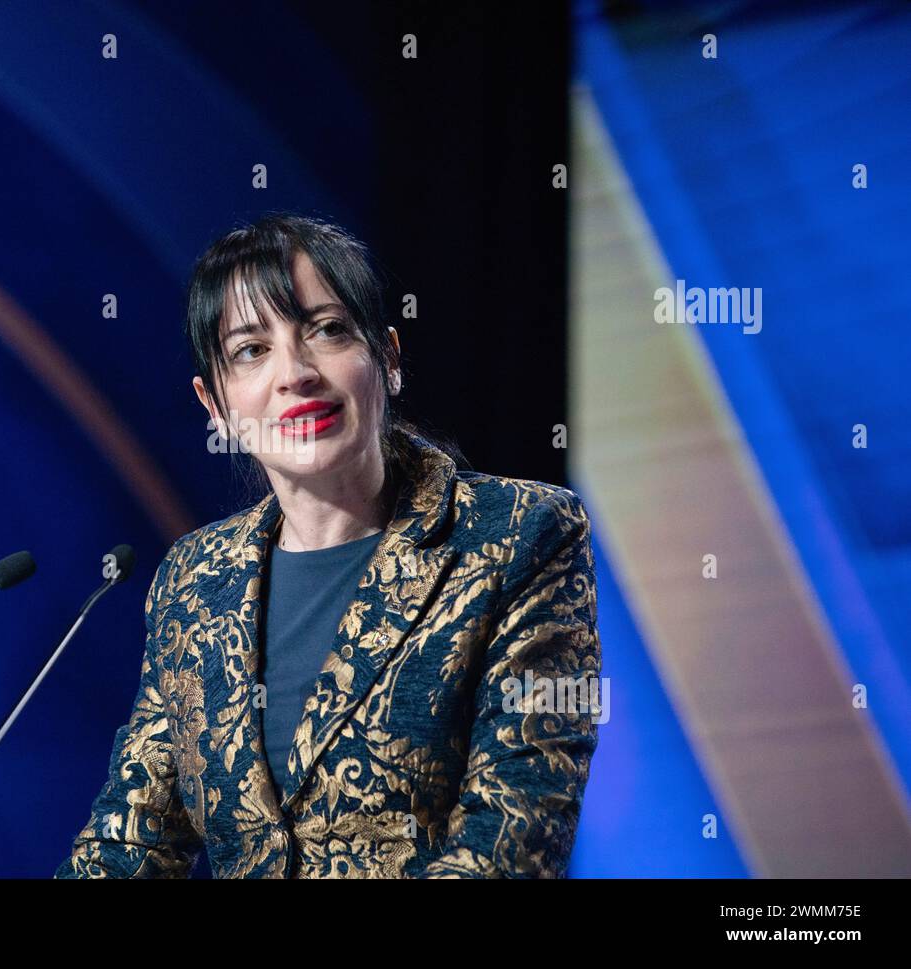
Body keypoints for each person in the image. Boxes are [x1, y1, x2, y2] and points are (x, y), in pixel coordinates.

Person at [55, 213, 600, 878]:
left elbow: (514, 835)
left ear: (389, 358)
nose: (296, 372)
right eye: (251, 349)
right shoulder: (194, 580)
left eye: (327, 329)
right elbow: (130, 840)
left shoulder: (522, 533)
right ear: (216, 404)